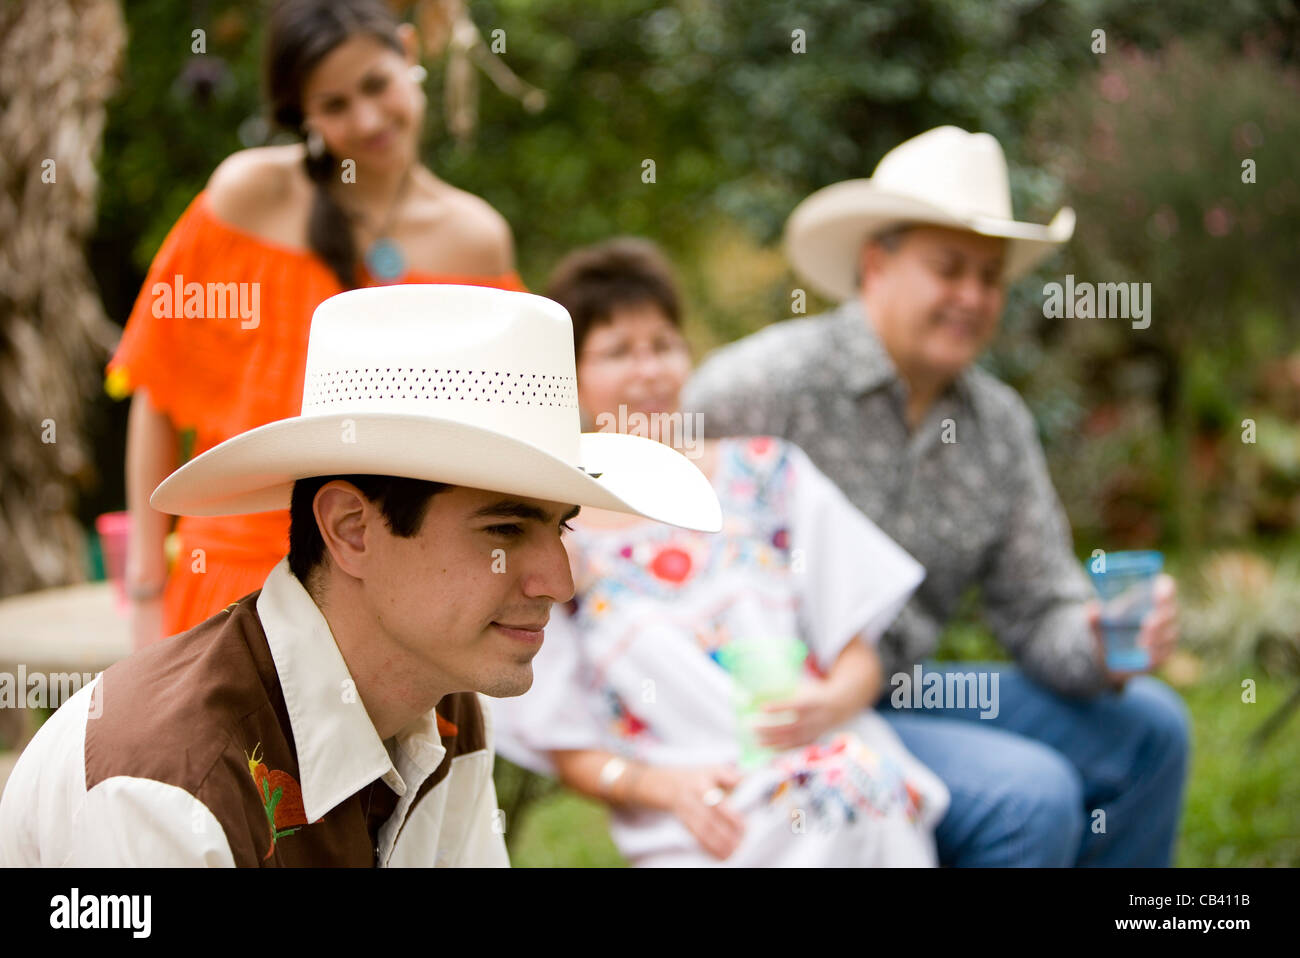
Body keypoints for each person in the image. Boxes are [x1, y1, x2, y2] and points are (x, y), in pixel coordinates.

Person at [0, 284, 721, 867]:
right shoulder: (165, 785)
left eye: (558, 525)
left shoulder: (445, 696)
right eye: (504, 528)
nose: (558, 582)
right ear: (350, 530)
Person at [683, 126, 1190, 866]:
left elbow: (1037, 609)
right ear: (875, 266)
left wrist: (1110, 640)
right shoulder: (758, 388)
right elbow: (645, 552)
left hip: (906, 693)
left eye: (990, 277)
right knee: (1033, 793)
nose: (973, 297)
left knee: (1153, 727)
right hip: (775, 710)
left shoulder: (996, 425)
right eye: (949, 269)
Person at [489, 239, 950, 867]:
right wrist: (665, 789)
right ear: (570, 378)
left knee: (852, 790)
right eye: (619, 351)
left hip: (823, 763)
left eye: (662, 344)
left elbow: (856, 656)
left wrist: (833, 703)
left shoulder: (767, 476)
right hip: (696, 813)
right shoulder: (554, 531)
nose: (648, 369)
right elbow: (562, 740)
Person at [107, 0, 525, 649]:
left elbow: (502, 451)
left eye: (376, 85)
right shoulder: (247, 196)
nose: (365, 119)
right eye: (333, 105)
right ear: (303, 114)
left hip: (398, 600)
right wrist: (143, 593)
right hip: (232, 586)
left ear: (409, 55)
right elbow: (157, 392)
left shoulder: (476, 240)